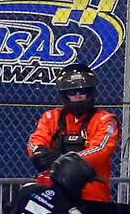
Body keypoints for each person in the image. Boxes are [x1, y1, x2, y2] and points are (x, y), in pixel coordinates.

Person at [26, 64, 119, 202]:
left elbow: (100, 149)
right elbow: (35, 141)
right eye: (72, 92)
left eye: (83, 91)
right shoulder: (51, 117)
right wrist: (39, 152)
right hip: (53, 195)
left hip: (92, 196)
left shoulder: (105, 120)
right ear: (64, 94)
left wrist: (61, 160)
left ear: (91, 92)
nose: (78, 96)